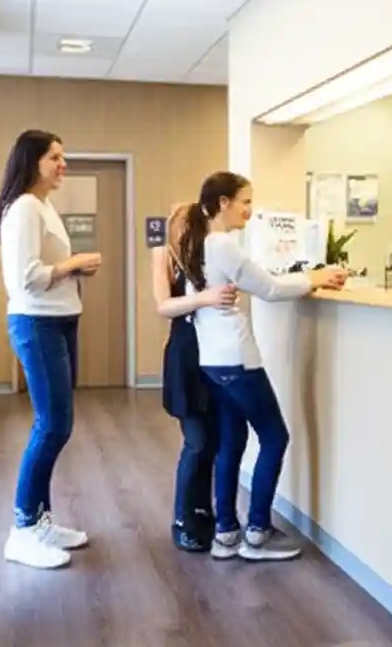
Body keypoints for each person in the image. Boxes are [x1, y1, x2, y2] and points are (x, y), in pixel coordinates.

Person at [178, 171, 347, 562]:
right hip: (238, 359)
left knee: (231, 443)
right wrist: (316, 277)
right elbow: (270, 289)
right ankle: (256, 532)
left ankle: (226, 534)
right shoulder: (221, 244)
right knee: (274, 436)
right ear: (223, 203)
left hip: (213, 360)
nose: (250, 211)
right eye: (245, 202)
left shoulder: (199, 244)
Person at [0, 129, 102, 570]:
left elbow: (44, 271)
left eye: (63, 156)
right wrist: (74, 264)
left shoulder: (43, 206)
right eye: (55, 156)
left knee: (56, 424)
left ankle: (39, 520)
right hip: (38, 323)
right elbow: (26, 278)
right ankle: (22, 530)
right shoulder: (23, 209)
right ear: (32, 160)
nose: (63, 164)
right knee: (52, 426)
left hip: (58, 319)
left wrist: (73, 271)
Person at [152, 204, 238, 552]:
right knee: (198, 441)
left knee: (215, 441)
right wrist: (204, 298)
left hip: (216, 354)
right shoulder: (165, 255)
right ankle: (183, 518)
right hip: (186, 357)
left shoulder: (213, 257)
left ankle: (206, 512)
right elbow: (163, 306)